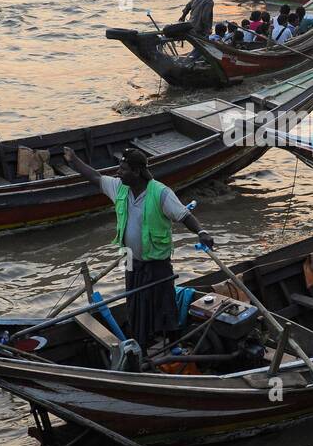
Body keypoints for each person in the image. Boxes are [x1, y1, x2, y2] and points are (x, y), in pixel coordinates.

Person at [60, 146, 214, 352]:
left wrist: (202, 232)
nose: (118, 172)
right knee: (135, 303)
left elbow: (184, 216)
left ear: (137, 172)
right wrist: (74, 160)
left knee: (163, 303)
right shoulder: (119, 188)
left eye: (123, 169)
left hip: (157, 262)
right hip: (132, 259)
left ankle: (174, 343)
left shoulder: (160, 193)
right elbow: (95, 177)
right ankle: (142, 343)